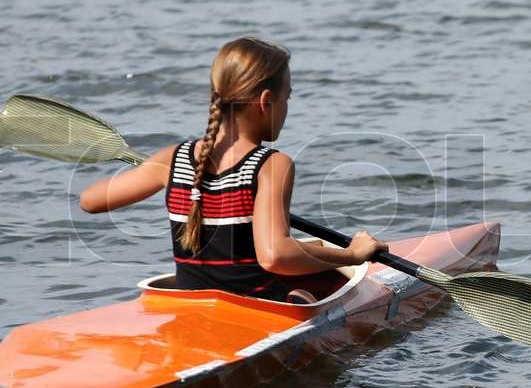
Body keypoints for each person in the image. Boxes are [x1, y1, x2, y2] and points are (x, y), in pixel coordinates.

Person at [78, 36, 386, 300]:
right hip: (255, 307)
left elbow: (89, 201)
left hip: (190, 305)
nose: (287, 107)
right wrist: (352, 255)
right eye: (287, 96)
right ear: (266, 102)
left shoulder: (174, 158)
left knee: (309, 253)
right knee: (328, 281)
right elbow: (276, 255)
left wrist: (158, 170)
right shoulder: (271, 165)